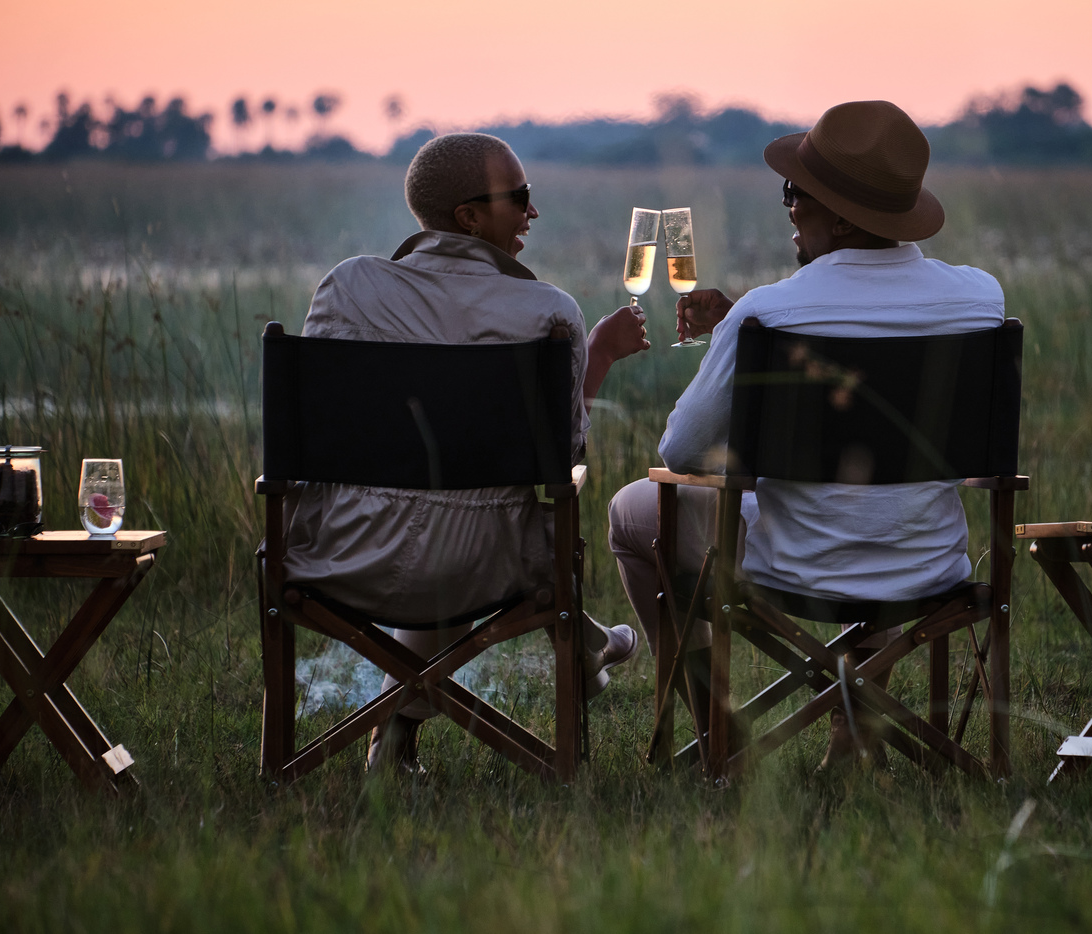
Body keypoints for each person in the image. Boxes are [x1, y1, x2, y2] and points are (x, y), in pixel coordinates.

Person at [606, 100, 1006, 768]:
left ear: (843, 215)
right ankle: (854, 729)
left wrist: (742, 335)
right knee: (872, 502)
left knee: (631, 513)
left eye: (796, 195)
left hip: (799, 564)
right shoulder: (978, 300)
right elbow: (877, 365)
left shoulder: (772, 311)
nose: (787, 208)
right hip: (930, 563)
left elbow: (679, 453)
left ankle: (717, 727)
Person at [283, 132, 648, 773]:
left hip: (343, 551)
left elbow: (314, 429)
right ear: (470, 217)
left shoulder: (346, 288)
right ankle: (587, 651)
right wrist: (601, 355)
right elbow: (561, 458)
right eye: (520, 198)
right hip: (487, 562)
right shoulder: (547, 313)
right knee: (460, 521)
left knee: (435, 509)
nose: (533, 212)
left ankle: (390, 738)